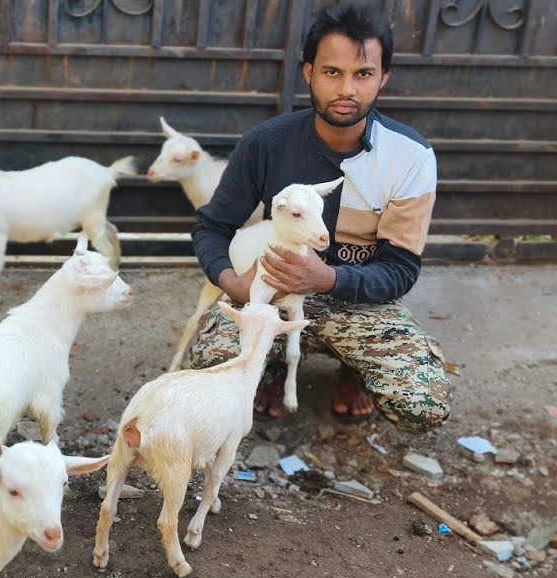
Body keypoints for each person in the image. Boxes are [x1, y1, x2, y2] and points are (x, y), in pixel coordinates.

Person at [184, 0, 450, 431]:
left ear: (383, 78)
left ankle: (353, 370)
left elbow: (401, 268)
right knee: (207, 368)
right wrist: (232, 282)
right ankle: (270, 370)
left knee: (423, 405)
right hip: (273, 292)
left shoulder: (411, 158)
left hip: (359, 299)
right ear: (309, 72)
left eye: (363, 74)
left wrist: (329, 279)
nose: (347, 89)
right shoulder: (266, 143)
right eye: (332, 72)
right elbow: (212, 227)